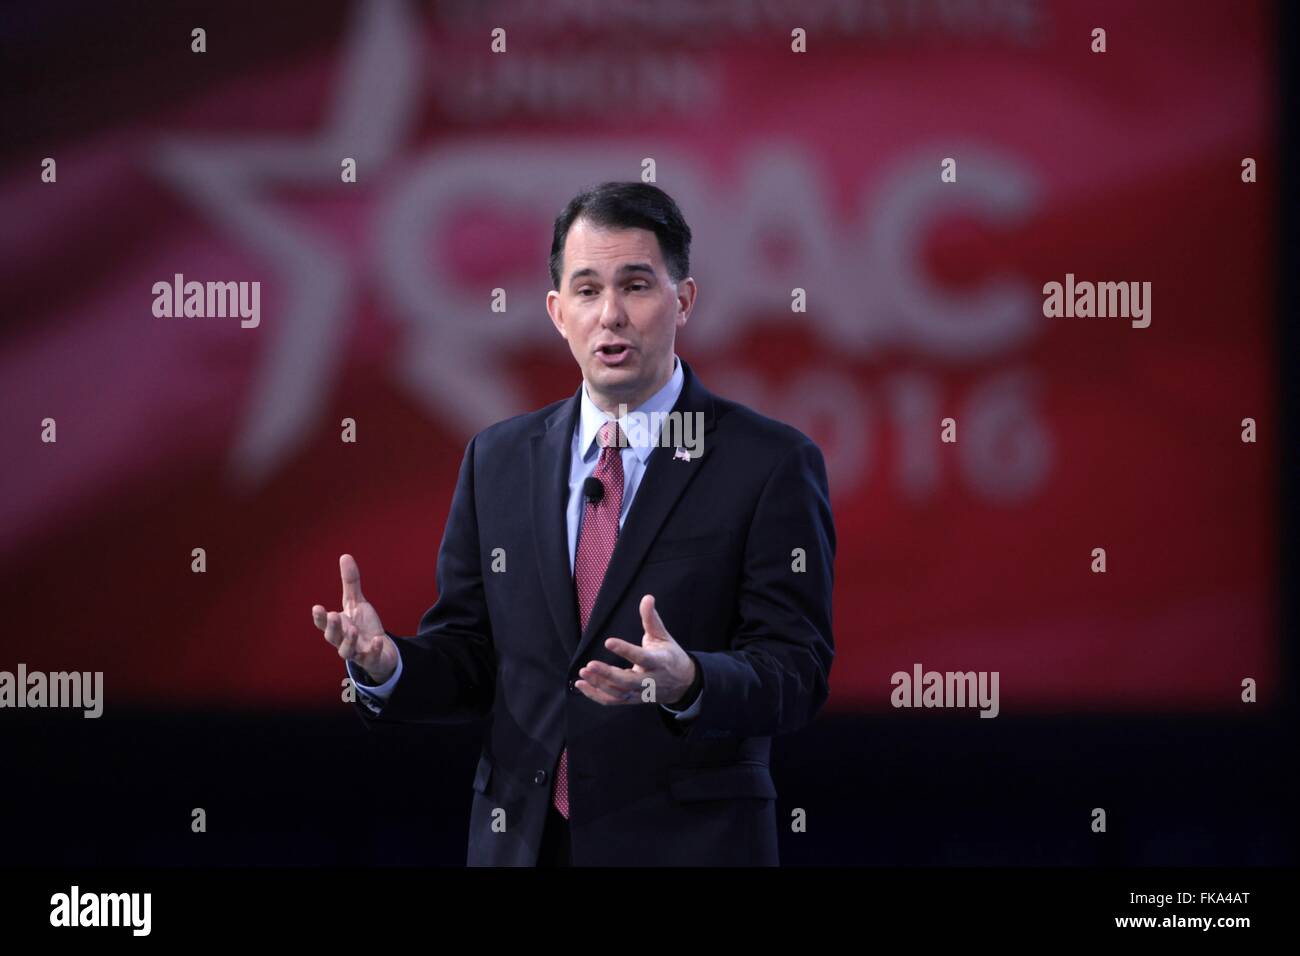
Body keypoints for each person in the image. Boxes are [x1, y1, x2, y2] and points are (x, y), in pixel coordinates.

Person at [311, 181, 835, 866]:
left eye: (637, 286)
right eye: (587, 291)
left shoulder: (766, 463)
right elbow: (473, 657)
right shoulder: (497, 460)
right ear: (558, 312)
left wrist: (691, 681)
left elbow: (797, 670)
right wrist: (388, 666)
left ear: (684, 301)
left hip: (689, 847)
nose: (610, 315)